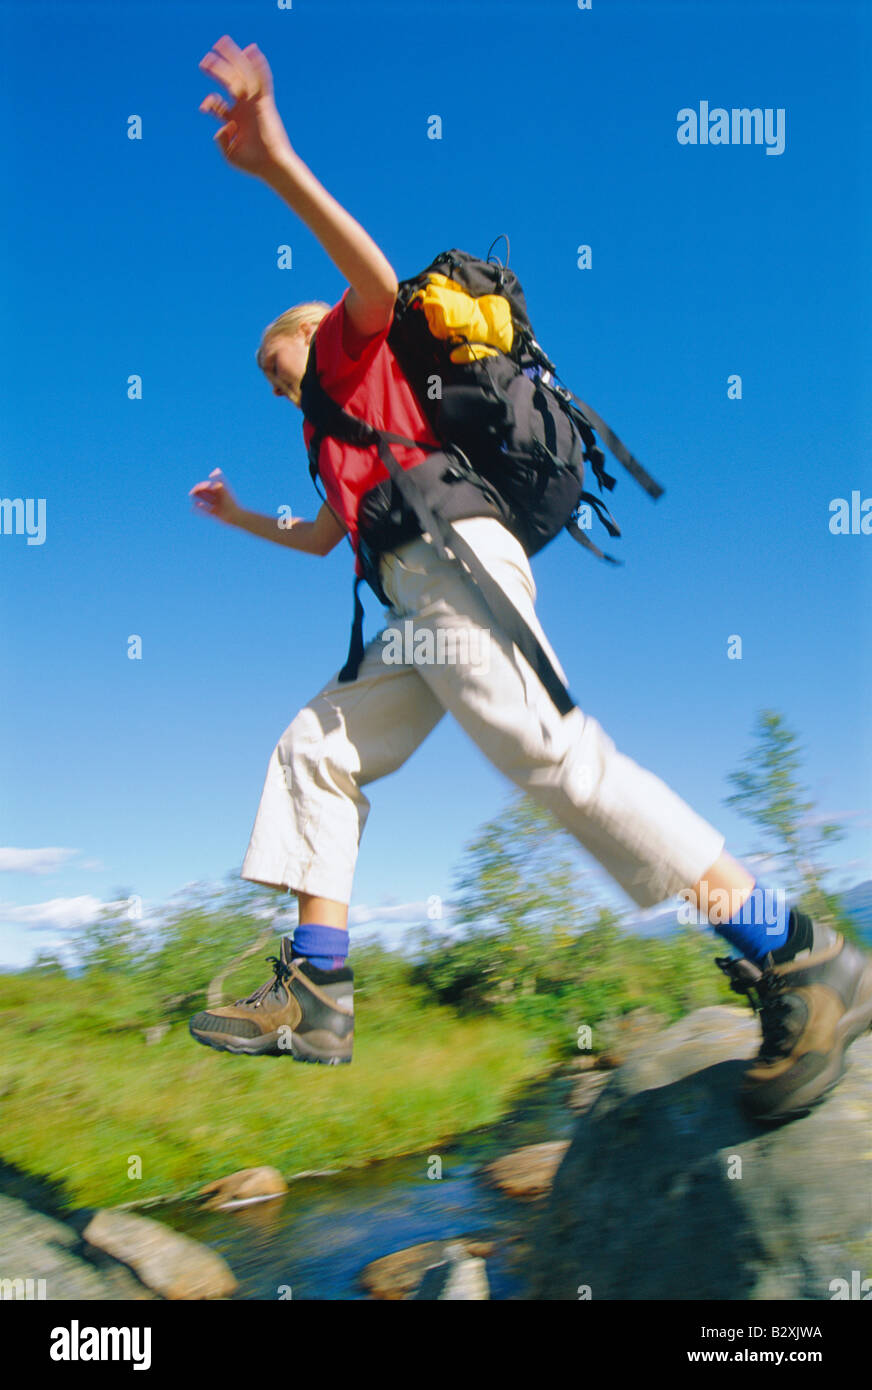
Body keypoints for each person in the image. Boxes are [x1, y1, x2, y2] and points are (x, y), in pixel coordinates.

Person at [187, 35, 872, 1114]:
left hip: (455, 562)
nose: (286, 391)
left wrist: (274, 161)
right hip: (411, 604)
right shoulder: (331, 440)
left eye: (285, 368)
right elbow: (322, 539)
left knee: (554, 762)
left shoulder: (350, 351)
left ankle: (795, 951)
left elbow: (368, 275)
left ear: (310, 340)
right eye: (277, 386)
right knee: (315, 748)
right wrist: (234, 519)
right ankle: (316, 989)